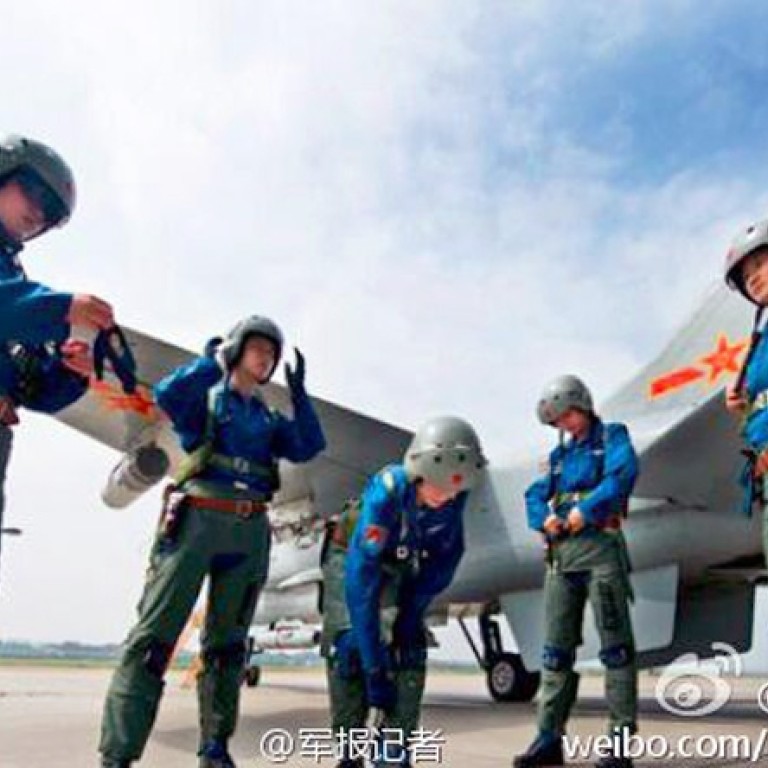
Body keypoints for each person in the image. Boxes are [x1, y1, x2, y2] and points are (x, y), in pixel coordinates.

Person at [98, 315, 326, 768]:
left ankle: (215, 749)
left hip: (250, 530)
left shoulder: (269, 419)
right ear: (238, 349)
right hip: (198, 522)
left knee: (227, 647)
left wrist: (300, 396)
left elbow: (307, 445)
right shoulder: (205, 401)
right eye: (258, 348)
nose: (266, 359)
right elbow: (167, 396)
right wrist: (210, 364)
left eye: (272, 355)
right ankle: (117, 756)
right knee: (153, 640)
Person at [320, 416, 487, 767]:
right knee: (352, 647)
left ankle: (392, 754)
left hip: (400, 562)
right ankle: (350, 755)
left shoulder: (452, 493)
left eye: (454, 492)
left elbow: (443, 563)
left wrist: (411, 615)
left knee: (410, 650)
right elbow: (361, 583)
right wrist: (374, 668)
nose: (447, 498)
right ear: (419, 472)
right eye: (440, 490)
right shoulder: (387, 492)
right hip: (350, 557)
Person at [0, 134, 114, 587]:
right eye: (32, 193)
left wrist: (68, 373)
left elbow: (32, 389)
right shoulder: (24, 295)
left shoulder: (16, 280)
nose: (37, 214)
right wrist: (60, 308)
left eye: (48, 211)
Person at [514, 376, 639, 768]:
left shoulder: (613, 437)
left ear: (582, 405)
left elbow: (622, 477)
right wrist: (544, 519)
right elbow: (534, 494)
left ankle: (619, 746)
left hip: (601, 550)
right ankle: (549, 738)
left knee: (616, 650)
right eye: (556, 421)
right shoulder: (559, 458)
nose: (563, 424)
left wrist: (584, 512)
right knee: (554, 652)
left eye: (566, 414)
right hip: (562, 558)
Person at [724, 219, 768, 520]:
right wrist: (744, 406)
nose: (752, 278)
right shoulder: (760, 341)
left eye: (760, 263)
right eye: (746, 274)